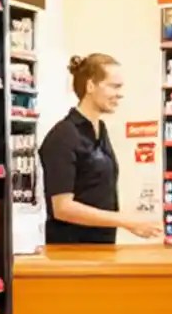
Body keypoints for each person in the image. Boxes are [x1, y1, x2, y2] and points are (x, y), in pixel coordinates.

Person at [39, 53, 160, 244]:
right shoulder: (63, 136)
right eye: (114, 86)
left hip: (101, 248)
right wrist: (126, 221)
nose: (120, 93)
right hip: (71, 256)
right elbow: (62, 208)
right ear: (90, 86)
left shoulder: (100, 130)